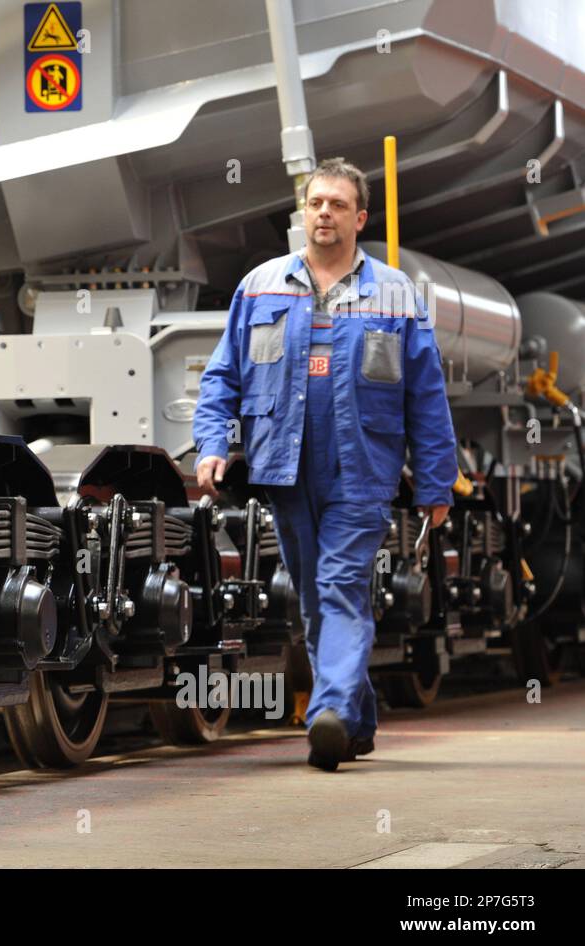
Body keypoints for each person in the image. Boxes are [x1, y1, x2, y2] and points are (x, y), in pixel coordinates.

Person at [192, 157, 458, 771]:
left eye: (338, 205)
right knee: (313, 597)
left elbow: (426, 393)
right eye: (316, 203)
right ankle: (356, 720)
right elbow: (222, 376)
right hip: (283, 467)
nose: (324, 214)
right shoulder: (260, 286)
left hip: (361, 468)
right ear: (302, 213)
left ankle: (328, 714)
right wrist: (210, 444)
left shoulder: (393, 293)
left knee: (339, 587)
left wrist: (437, 481)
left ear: (359, 217)